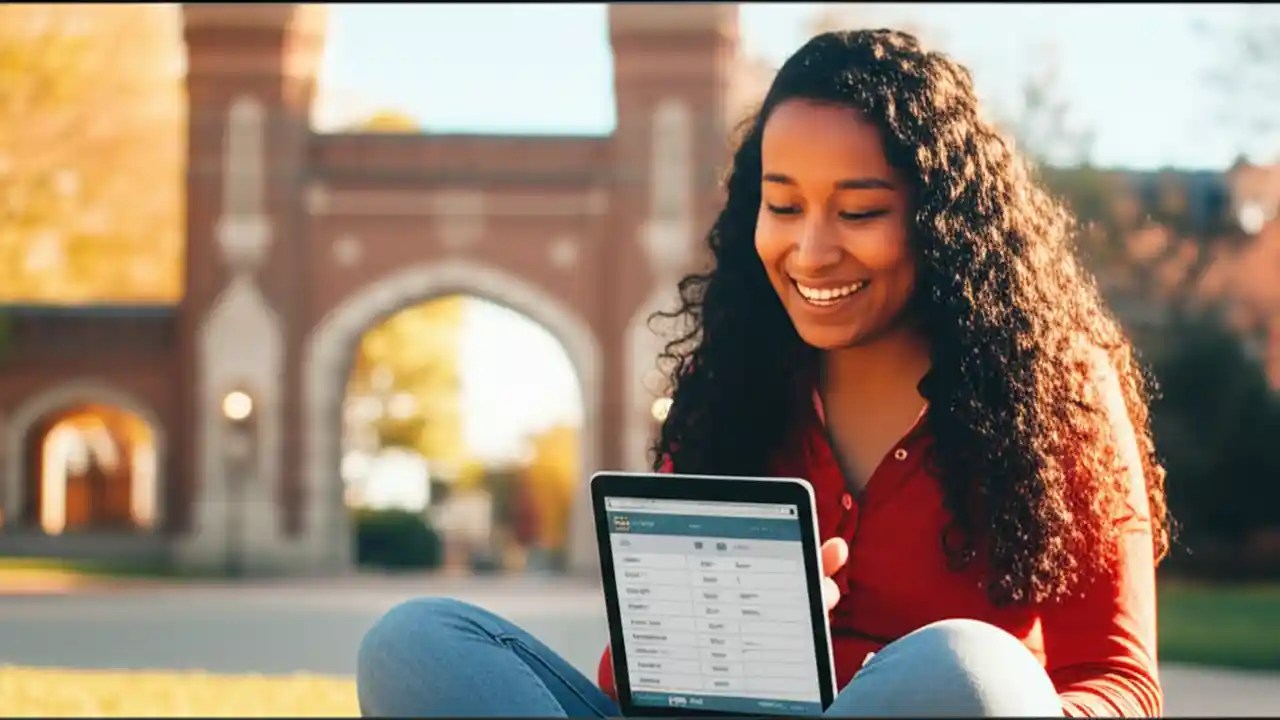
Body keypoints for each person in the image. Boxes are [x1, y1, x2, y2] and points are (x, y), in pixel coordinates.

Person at [356, 28, 1169, 718]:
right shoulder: (737, 376)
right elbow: (630, 684)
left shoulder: (1052, 387)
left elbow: (1121, 684)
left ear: (942, 220)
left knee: (967, 670)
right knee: (417, 645)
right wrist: (722, 637)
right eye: (783, 207)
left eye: (858, 212)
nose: (811, 251)